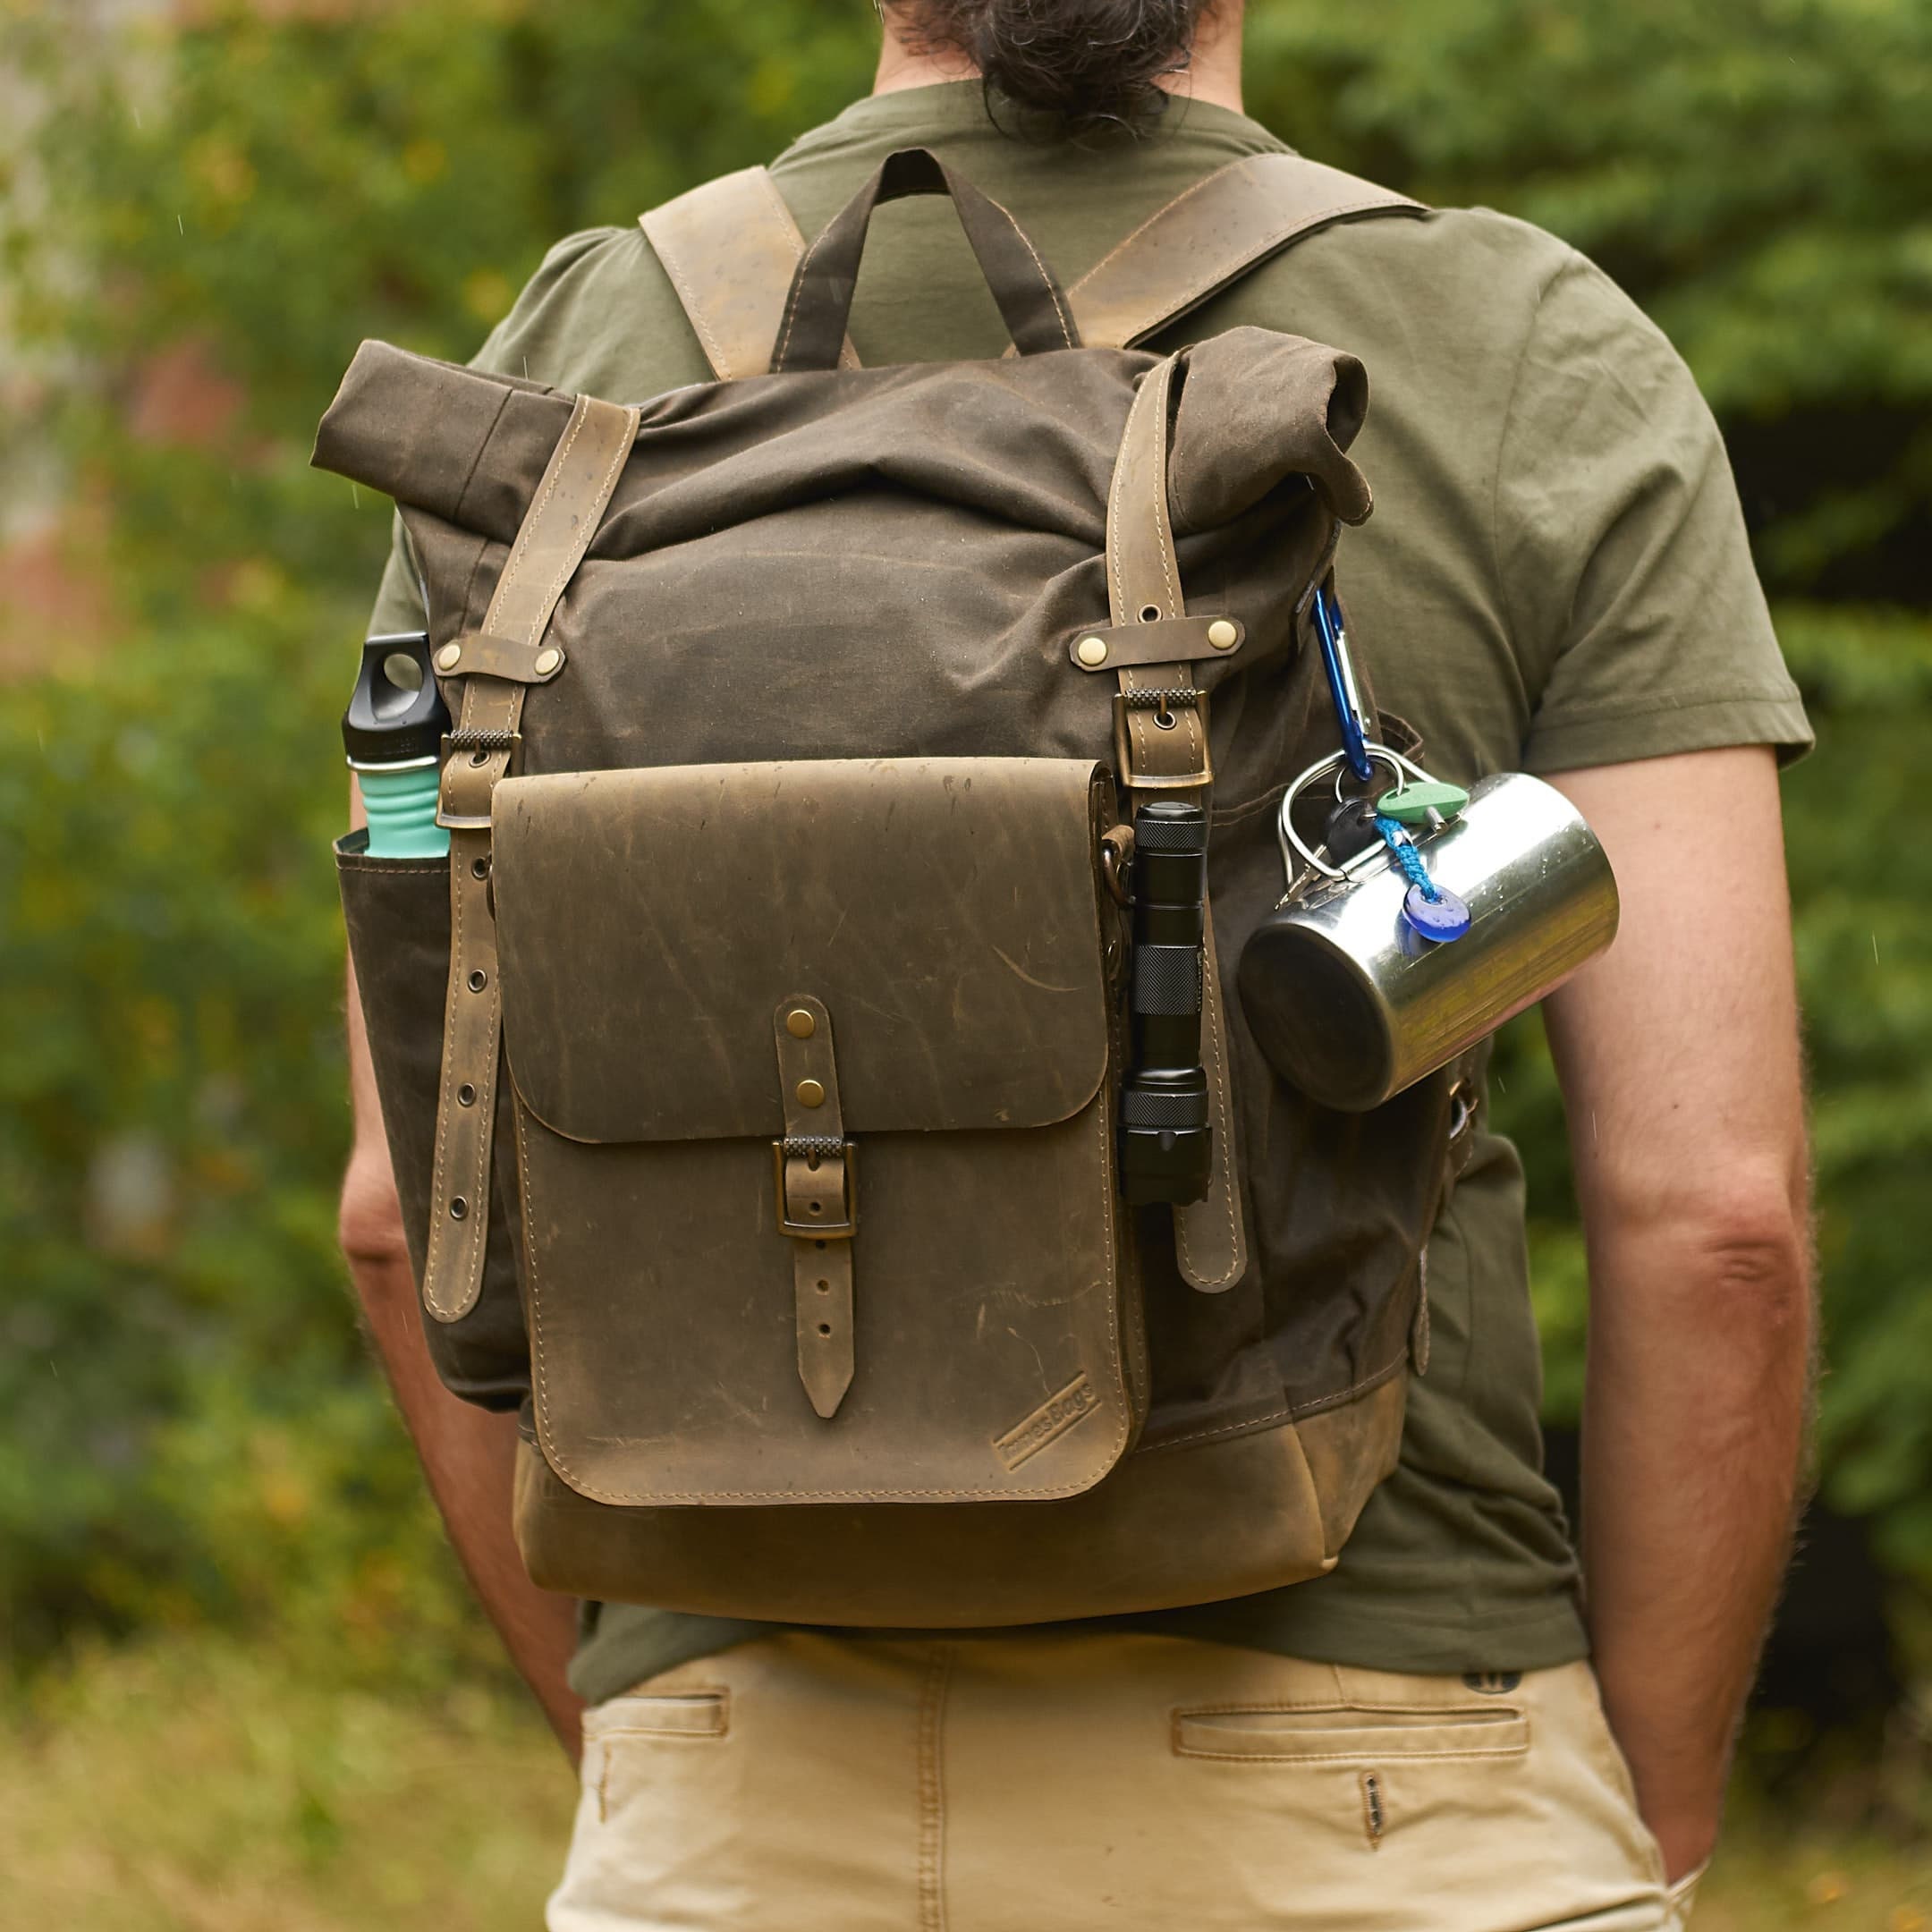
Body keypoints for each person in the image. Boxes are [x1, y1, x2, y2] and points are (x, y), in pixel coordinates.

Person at [342, 3, 1815, 1925]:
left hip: (737, 1776)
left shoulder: (568, 361)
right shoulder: (1512, 344)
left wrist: (649, 1733)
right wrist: (1656, 1804)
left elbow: (407, 1213)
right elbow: (1717, 1219)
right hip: (1377, 1780)